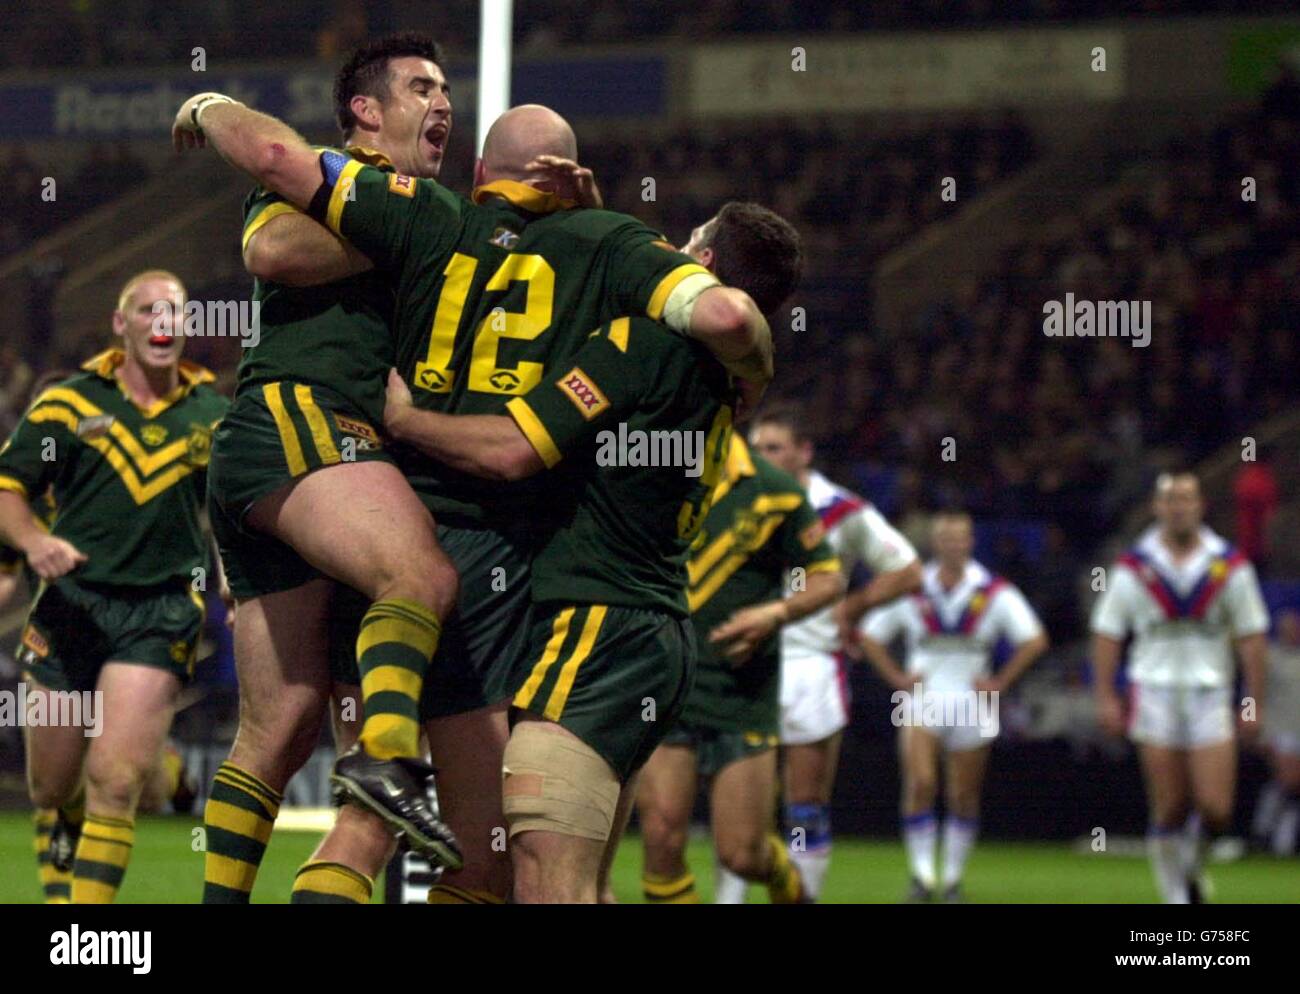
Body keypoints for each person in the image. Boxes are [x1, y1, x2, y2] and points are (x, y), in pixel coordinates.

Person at [173, 88, 776, 902]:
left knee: (362, 822)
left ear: (484, 171)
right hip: (495, 567)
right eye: (421, 87)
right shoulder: (615, 258)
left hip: (387, 525)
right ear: (571, 178)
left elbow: (279, 165)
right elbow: (723, 326)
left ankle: (372, 769)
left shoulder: (431, 218)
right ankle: (386, 762)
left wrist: (209, 104)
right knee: (487, 861)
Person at [0, 270, 228, 902]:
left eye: (177, 312)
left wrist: (235, 587)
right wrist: (34, 543)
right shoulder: (68, 406)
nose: (164, 321)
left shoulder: (216, 416)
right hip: (71, 610)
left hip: (159, 614)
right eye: (148, 310)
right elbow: (8, 490)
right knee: (51, 787)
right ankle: (66, 894)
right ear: (119, 325)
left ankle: (85, 933)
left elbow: (238, 515)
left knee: (115, 780)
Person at [739, 403, 920, 902]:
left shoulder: (841, 511)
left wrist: (856, 605)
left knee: (806, 802)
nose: (762, 457)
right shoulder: (734, 499)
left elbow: (907, 569)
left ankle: (804, 896)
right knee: (740, 806)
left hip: (810, 665)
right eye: (756, 449)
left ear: (804, 452)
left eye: (774, 447)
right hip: (745, 664)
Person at [1091, 472, 1268, 903]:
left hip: (1211, 693)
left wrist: (1252, 701)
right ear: (1157, 506)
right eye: (1171, 499)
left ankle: (1192, 863)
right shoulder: (1134, 567)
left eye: (1187, 498)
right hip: (1154, 691)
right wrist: (1106, 697)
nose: (1179, 507)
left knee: (1216, 810)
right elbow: (1107, 632)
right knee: (1169, 806)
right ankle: (1177, 896)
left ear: (1201, 505)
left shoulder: (1229, 565)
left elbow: (1252, 635)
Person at [859, 511, 1047, 902]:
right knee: (921, 783)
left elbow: (1033, 640)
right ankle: (923, 877)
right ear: (934, 542)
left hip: (972, 700)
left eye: (958, 538)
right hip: (922, 699)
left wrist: (1001, 681)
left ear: (971, 541)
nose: (951, 544)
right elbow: (869, 636)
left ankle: (953, 879)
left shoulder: (993, 591)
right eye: (944, 537)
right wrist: (895, 677)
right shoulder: (913, 588)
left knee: (963, 794)